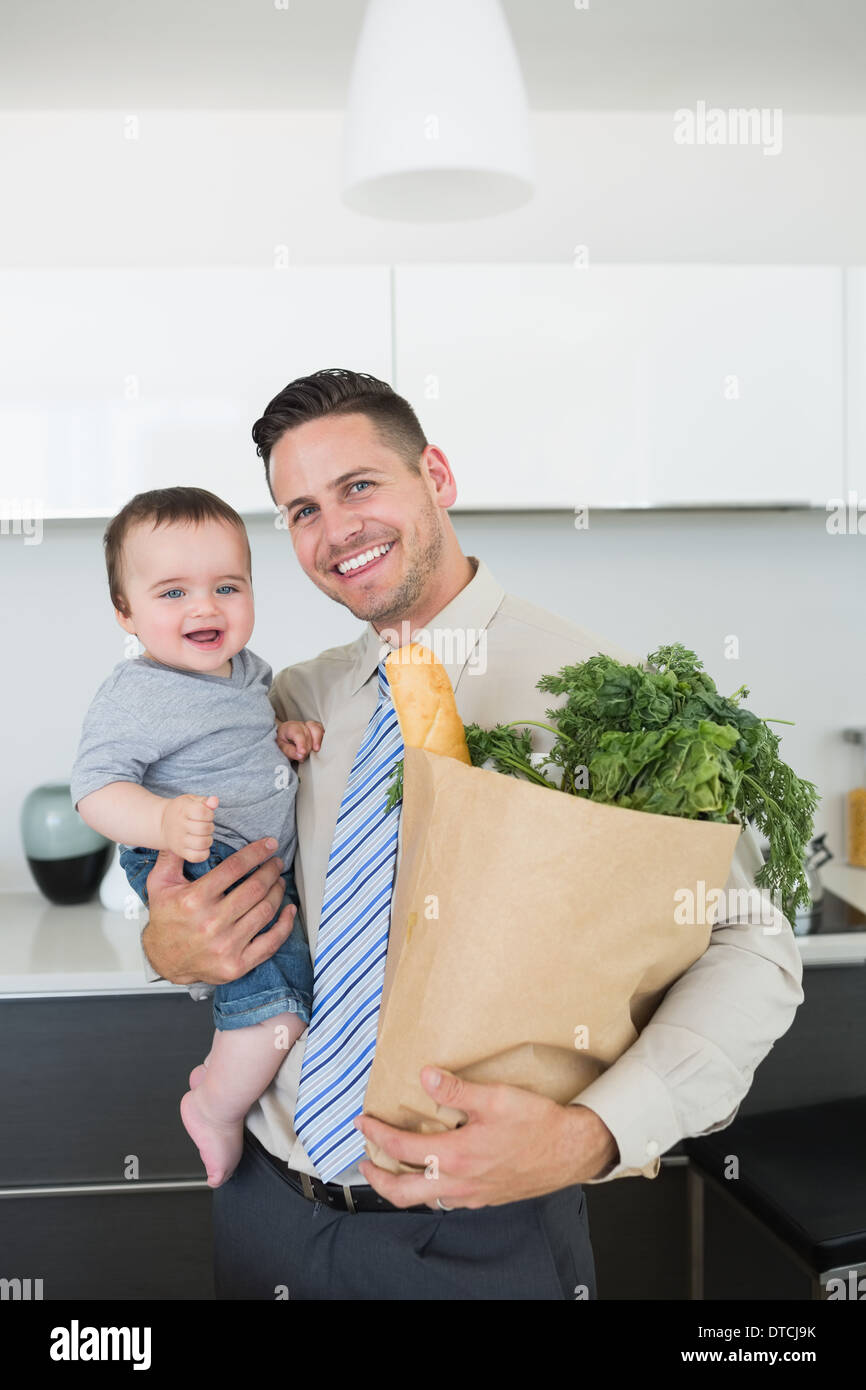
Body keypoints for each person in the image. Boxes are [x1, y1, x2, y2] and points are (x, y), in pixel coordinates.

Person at [140, 369, 804, 1301]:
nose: (337, 532)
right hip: (266, 1207)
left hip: (482, 1237)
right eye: (301, 510)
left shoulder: (605, 703)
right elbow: (194, 884)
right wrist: (163, 941)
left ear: (437, 477)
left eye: (361, 486)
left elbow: (748, 947)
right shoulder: (288, 702)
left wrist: (595, 1134)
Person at [70, 486, 324, 1188]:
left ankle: (225, 1087)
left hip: (249, 856)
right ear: (126, 611)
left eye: (226, 586)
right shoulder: (137, 694)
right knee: (278, 1001)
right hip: (193, 855)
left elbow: (241, 740)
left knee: (284, 984)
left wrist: (282, 737)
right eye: (173, 591)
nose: (205, 607)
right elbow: (93, 789)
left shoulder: (250, 674)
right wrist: (159, 820)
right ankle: (214, 1105)